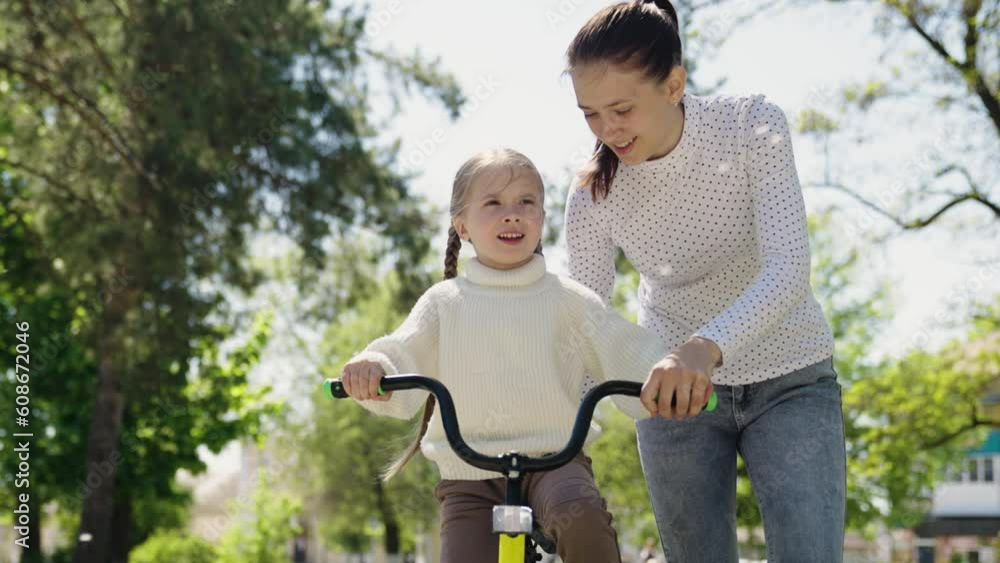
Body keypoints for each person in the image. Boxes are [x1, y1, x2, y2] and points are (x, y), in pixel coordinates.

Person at [562, 1, 846, 562]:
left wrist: (701, 348)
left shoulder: (751, 126)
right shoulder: (594, 193)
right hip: (673, 400)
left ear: (673, 84)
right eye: (590, 113)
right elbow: (586, 325)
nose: (607, 130)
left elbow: (788, 270)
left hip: (790, 377)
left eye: (621, 108)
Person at [339, 148, 673, 563]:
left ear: (542, 219)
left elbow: (624, 346)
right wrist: (375, 370)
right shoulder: (444, 302)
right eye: (493, 203)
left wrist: (668, 375)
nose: (511, 214)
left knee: (584, 518)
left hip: (557, 463)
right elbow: (403, 352)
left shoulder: (567, 299)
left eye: (526, 202)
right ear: (462, 225)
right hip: (469, 475)